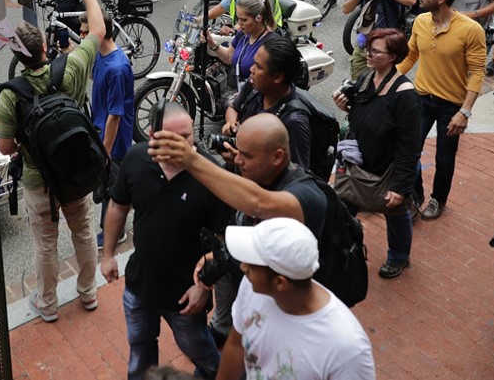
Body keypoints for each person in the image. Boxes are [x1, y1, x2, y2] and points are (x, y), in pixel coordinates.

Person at [147, 113, 328, 346]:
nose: (238, 160)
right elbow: (253, 236)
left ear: (277, 157)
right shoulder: (260, 175)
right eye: (237, 151)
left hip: (286, 320)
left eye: (247, 155)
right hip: (255, 303)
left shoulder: (307, 197)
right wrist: (224, 254)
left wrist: (191, 158)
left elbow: (258, 203)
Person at [0, 0, 103, 323]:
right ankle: (88, 293)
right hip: (74, 170)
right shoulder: (71, 67)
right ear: (44, 47)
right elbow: (99, 31)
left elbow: (6, 148)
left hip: (37, 179)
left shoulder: (11, 95)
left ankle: (48, 303)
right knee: (84, 233)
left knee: (45, 243)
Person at [100, 105, 228, 380]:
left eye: (188, 135)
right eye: (174, 137)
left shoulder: (210, 175)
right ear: (152, 135)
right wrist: (108, 254)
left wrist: (203, 286)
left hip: (185, 295)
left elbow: (223, 243)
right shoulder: (136, 159)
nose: (184, 145)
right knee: (140, 352)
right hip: (139, 287)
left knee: (200, 351)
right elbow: (118, 206)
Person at [220, 217, 376, 380]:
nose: (243, 267)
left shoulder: (348, 349)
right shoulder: (252, 287)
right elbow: (236, 344)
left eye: (251, 266)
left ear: (280, 283)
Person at [397, 0, 487, 221]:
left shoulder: (470, 30)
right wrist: (384, 79)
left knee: (443, 159)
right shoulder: (421, 22)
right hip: (421, 100)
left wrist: (465, 111)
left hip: (451, 107)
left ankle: (439, 199)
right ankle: (415, 196)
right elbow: (410, 56)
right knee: (409, 151)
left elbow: (477, 72)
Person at [332, 28, 420, 278]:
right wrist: (346, 106)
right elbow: (362, 117)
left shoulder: (405, 97)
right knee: (343, 209)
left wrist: (400, 187)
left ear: (393, 57)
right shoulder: (365, 79)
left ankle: (399, 258)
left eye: (375, 51)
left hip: (388, 169)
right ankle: (344, 250)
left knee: (396, 213)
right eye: (367, 49)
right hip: (359, 164)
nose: (367, 54)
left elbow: (409, 146)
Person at [80, 9, 135, 248]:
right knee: (109, 185)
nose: (83, 38)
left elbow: (115, 115)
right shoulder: (101, 57)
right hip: (102, 131)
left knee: (112, 188)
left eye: (86, 33)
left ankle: (115, 232)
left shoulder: (117, 68)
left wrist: (105, 152)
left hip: (114, 140)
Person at [221, 34, 314, 170]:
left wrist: (242, 162)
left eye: (258, 67)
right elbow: (233, 108)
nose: (251, 70)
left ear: (277, 77)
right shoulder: (253, 86)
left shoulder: (294, 123)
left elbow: (296, 180)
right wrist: (231, 124)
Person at [340, 0, 416, 78]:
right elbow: (345, 9)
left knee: (381, 84)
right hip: (364, 44)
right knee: (357, 81)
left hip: (385, 46)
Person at [207, 0, 278, 93]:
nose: (239, 24)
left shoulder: (271, 44)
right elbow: (229, 57)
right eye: (238, 18)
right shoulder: (243, 34)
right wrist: (211, 43)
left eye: (244, 20)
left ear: (259, 18)